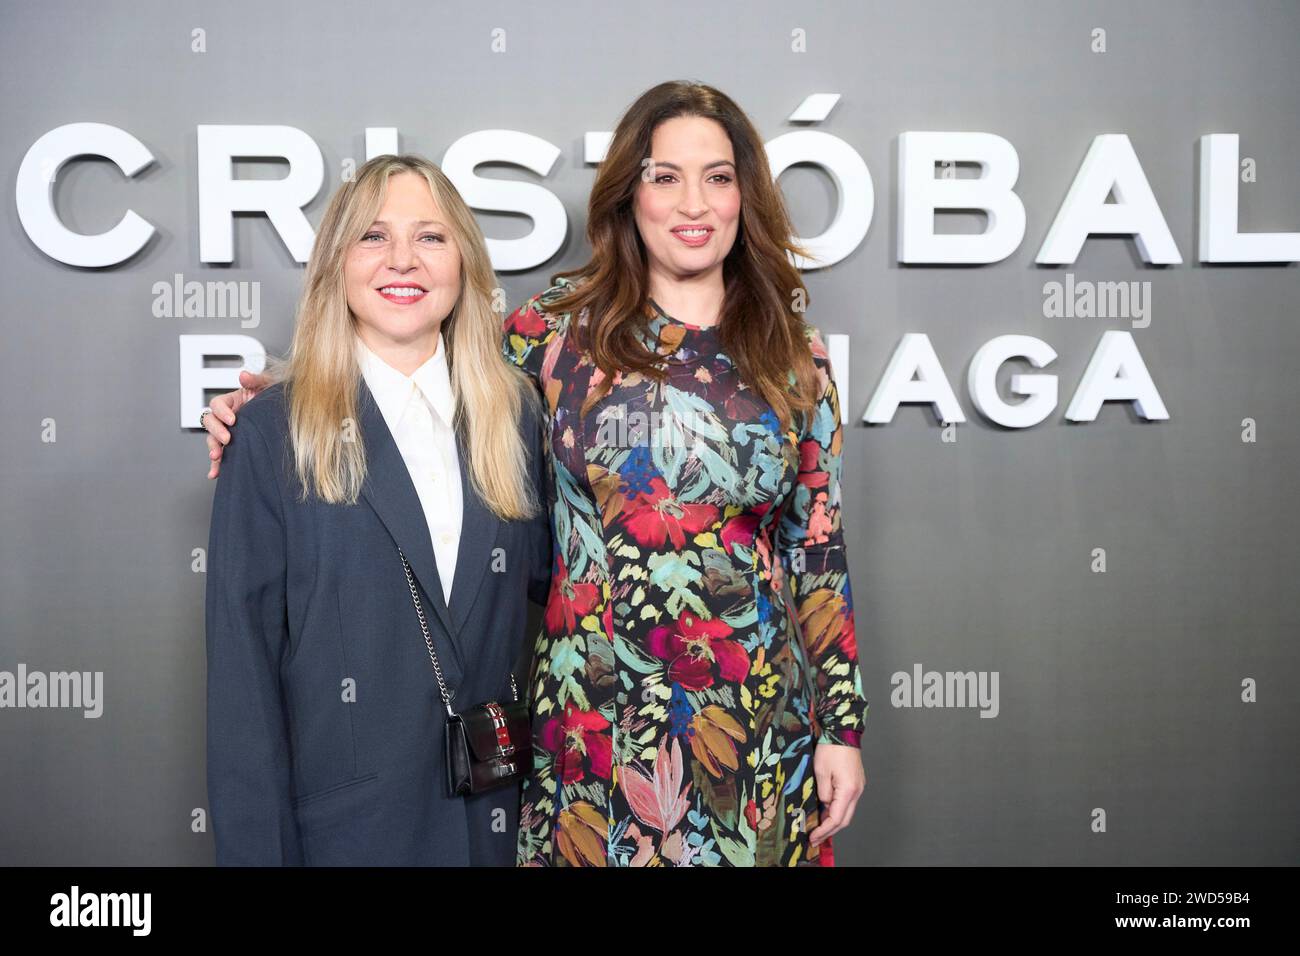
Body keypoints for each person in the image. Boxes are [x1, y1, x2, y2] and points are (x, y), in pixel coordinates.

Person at [204, 81, 869, 867]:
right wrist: (265, 409)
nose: (694, 201)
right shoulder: (551, 336)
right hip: (592, 729)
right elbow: (406, 358)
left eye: (719, 177)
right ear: (630, 193)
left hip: (754, 726)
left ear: (745, 195)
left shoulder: (796, 355)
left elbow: (814, 548)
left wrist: (840, 728)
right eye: (665, 176)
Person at [204, 153, 550, 865]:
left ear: (464, 263)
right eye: (372, 236)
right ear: (337, 263)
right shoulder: (272, 431)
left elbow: (562, 605)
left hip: (501, 830)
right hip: (350, 839)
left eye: (430, 237)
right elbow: (243, 686)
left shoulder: (516, 415)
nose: (403, 260)